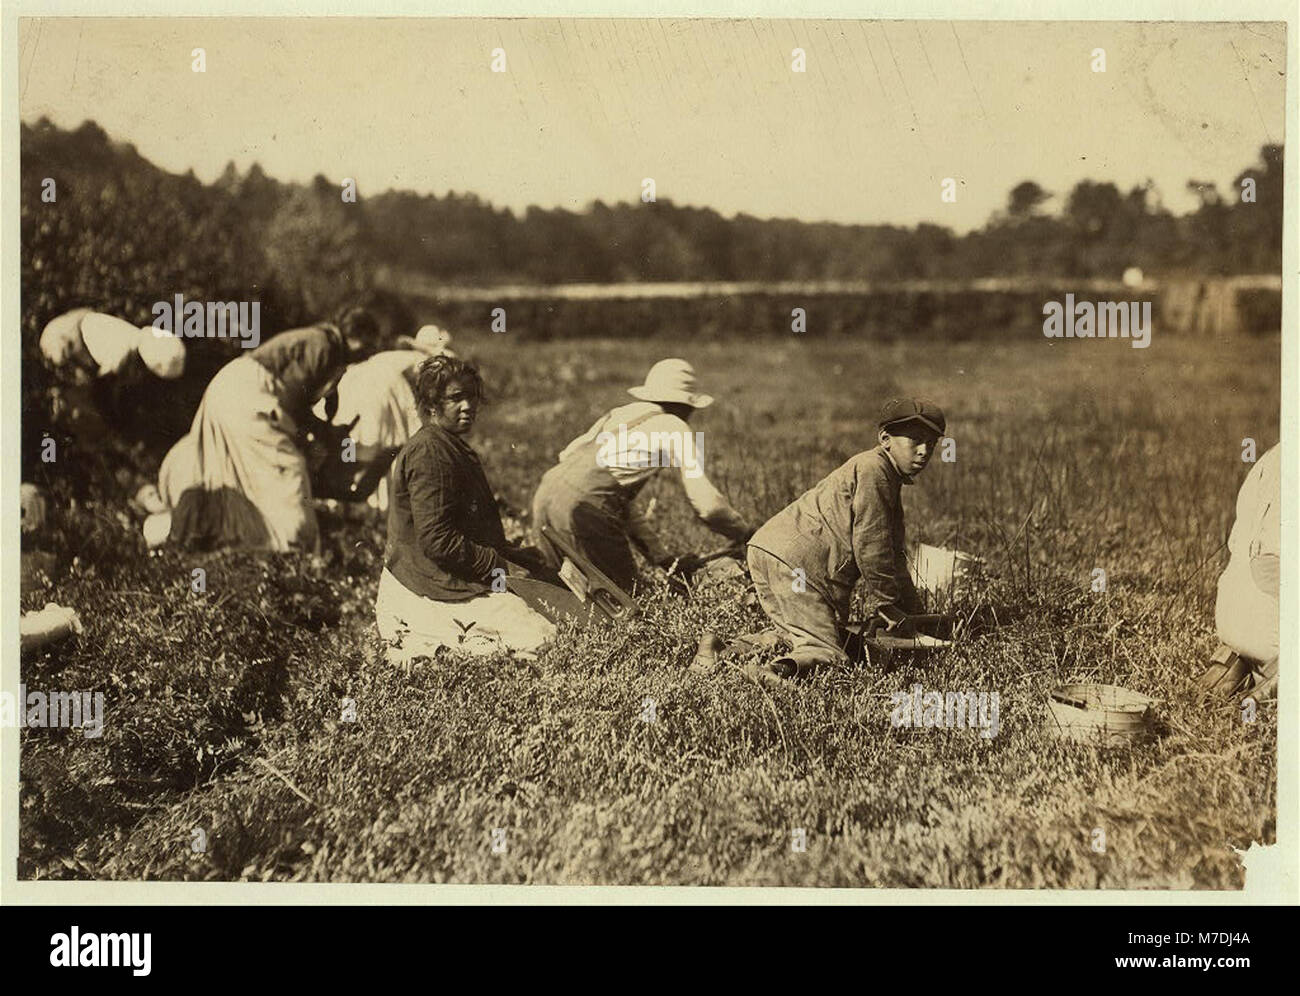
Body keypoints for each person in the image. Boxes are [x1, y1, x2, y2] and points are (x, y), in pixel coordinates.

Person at [700, 398, 946, 680]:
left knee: (795, 632)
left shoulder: (879, 474)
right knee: (828, 652)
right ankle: (772, 673)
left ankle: (722, 650)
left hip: (767, 550)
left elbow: (894, 556)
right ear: (885, 439)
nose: (924, 451)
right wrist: (888, 604)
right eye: (915, 440)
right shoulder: (874, 471)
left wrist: (914, 614)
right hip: (798, 565)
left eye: (931, 443)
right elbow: (872, 546)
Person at [375, 355, 556, 663]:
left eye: (472, 396)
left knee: (547, 591)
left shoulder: (446, 444)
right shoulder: (430, 451)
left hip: (438, 574)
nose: (468, 406)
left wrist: (511, 555)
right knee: (542, 634)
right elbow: (437, 541)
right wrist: (499, 565)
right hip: (426, 586)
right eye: (456, 398)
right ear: (431, 404)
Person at [531, 358, 753, 595]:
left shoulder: (619, 415)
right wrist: (744, 533)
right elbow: (708, 506)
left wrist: (663, 558)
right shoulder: (673, 425)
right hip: (583, 506)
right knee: (631, 600)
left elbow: (613, 498)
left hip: (545, 494)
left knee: (561, 594)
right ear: (686, 405)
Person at [147, 318, 358, 552]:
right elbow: (294, 400)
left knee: (235, 474)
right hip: (247, 394)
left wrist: (319, 431)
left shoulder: (319, 342)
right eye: (368, 343)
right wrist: (317, 435)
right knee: (287, 467)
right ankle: (295, 542)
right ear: (358, 337)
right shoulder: (323, 345)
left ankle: (253, 537)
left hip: (231, 387)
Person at [311, 325, 456, 510]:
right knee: (393, 445)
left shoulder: (389, 356)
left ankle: (344, 503)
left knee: (356, 442)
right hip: (384, 388)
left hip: (355, 381)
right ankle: (386, 503)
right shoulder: (425, 360)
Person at [1197, 443, 1280, 700]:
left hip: (1231, 614)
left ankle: (1240, 661)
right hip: (1275, 631)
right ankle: (1276, 679)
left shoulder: (1270, 457)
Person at [39, 308, 186, 445]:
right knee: (90, 393)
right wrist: (116, 422)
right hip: (63, 335)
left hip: (81, 326)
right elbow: (101, 389)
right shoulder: (120, 355)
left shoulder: (142, 340)